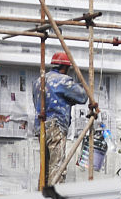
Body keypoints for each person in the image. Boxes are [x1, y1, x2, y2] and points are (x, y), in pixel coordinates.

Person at [32, 52, 87, 186]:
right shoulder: (63, 81)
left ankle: (42, 198)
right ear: (65, 67)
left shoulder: (38, 81)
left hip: (41, 127)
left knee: (45, 167)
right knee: (57, 167)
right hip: (55, 127)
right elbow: (83, 96)